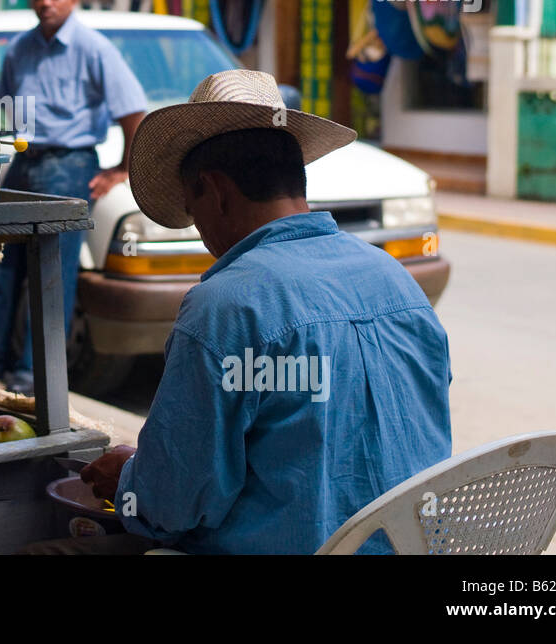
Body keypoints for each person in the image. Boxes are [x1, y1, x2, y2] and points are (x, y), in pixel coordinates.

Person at [33, 69, 452, 554]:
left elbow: (172, 508)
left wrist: (129, 478)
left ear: (214, 190)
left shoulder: (225, 307)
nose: (198, 229)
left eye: (192, 207)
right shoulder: (397, 280)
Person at [0, 0, 147, 395]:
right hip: (23, 160)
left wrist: (122, 169)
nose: (46, 2)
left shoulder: (94, 48)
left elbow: (135, 112)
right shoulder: (20, 49)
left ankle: (32, 375)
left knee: (51, 273)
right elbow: (8, 110)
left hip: (70, 166)